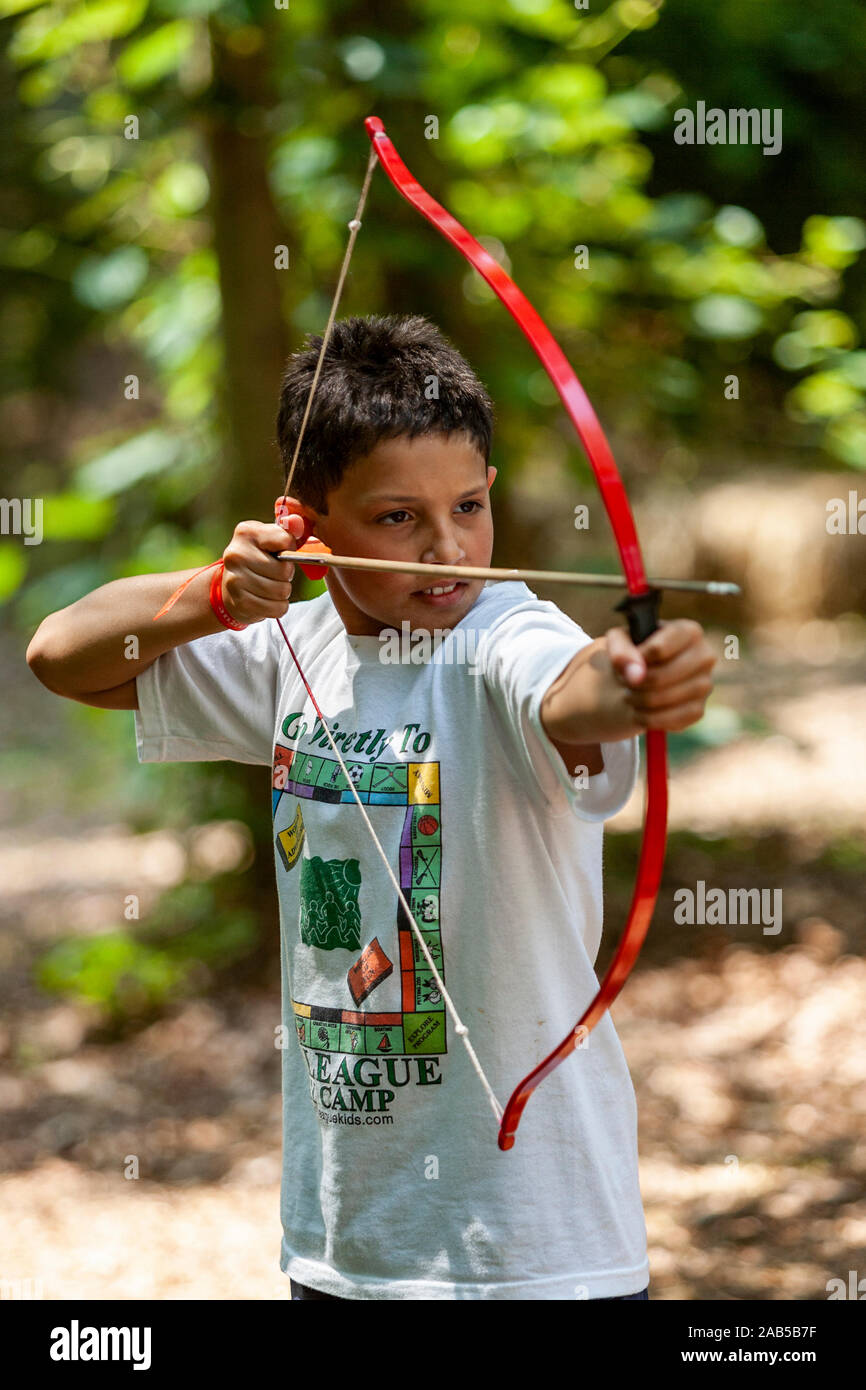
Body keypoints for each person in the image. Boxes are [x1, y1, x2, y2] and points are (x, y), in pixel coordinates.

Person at [27, 314, 716, 1300]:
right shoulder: (285, 651)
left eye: (469, 505)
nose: (448, 548)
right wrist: (210, 599)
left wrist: (634, 680)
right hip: (345, 1244)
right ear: (304, 524)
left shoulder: (503, 631)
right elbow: (61, 655)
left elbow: (568, 691)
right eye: (398, 517)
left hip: (536, 1247)